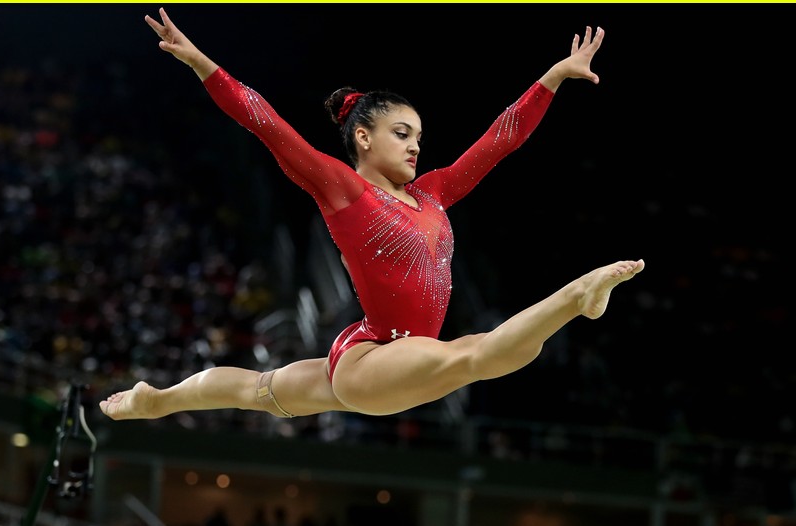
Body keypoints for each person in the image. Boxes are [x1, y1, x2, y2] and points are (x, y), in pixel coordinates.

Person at [101, 7, 644, 423]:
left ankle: (158, 401)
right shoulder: (344, 190)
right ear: (363, 137)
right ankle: (576, 296)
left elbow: (499, 142)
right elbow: (265, 124)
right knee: (476, 354)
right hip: (374, 360)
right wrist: (202, 63)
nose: (415, 148)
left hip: (385, 355)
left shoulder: (433, 193)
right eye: (402, 134)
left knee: (257, 391)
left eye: (419, 138)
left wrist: (551, 78)